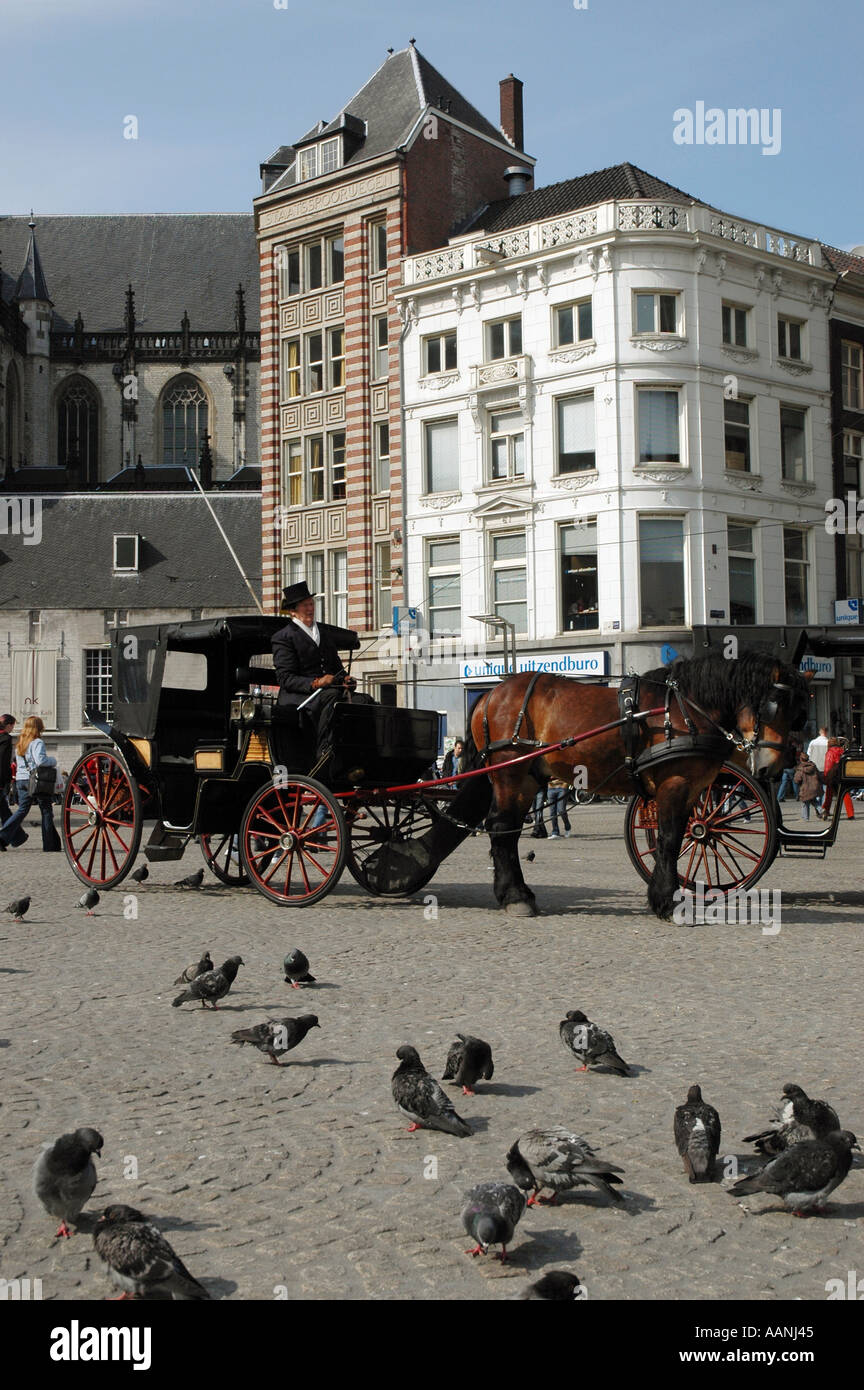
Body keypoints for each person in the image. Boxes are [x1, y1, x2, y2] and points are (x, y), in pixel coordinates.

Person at [271, 580, 357, 781]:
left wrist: (345, 679)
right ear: (293, 611)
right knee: (332, 697)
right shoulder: (284, 637)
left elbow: (337, 669)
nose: (310, 609)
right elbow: (285, 679)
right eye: (305, 605)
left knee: (363, 701)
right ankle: (324, 752)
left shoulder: (324, 635)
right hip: (299, 700)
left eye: (311, 604)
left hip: (326, 694)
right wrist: (317, 683)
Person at [0, 715, 61, 851]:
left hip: (21, 779)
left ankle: (3, 836)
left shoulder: (20, 743)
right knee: (46, 810)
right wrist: (53, 761)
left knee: (22, 810)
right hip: (36, 780)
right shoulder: (37, 742)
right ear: (39, 727)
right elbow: (40, 761)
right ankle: (49, 845)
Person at [821, 738, 854, 821]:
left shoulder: (830, 752)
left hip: (832, 775)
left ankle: (826, 810)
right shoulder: (842, 751)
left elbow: (828, 765)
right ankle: (850, 814)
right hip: (841, 775)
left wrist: (826, 776)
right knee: (846, 794)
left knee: (829, 794)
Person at [793, 752, 822, 823]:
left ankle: (805, 818)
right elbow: (819, 775)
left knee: (805, 803)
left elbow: (797, 779)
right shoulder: (813, 766)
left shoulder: (800, 769)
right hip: (814, 788)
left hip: (805, 788)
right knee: (814, 801)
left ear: (801, 759)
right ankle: (822, 810)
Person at [0, 714, 16, 825]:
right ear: (8, 725)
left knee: (3, 807)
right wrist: (8, 777)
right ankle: (14, 834)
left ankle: (15, 834)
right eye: (13, 726)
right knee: (3, 807)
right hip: (1, 777)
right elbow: (4, 761)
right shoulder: (6, 738)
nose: (13, 728)